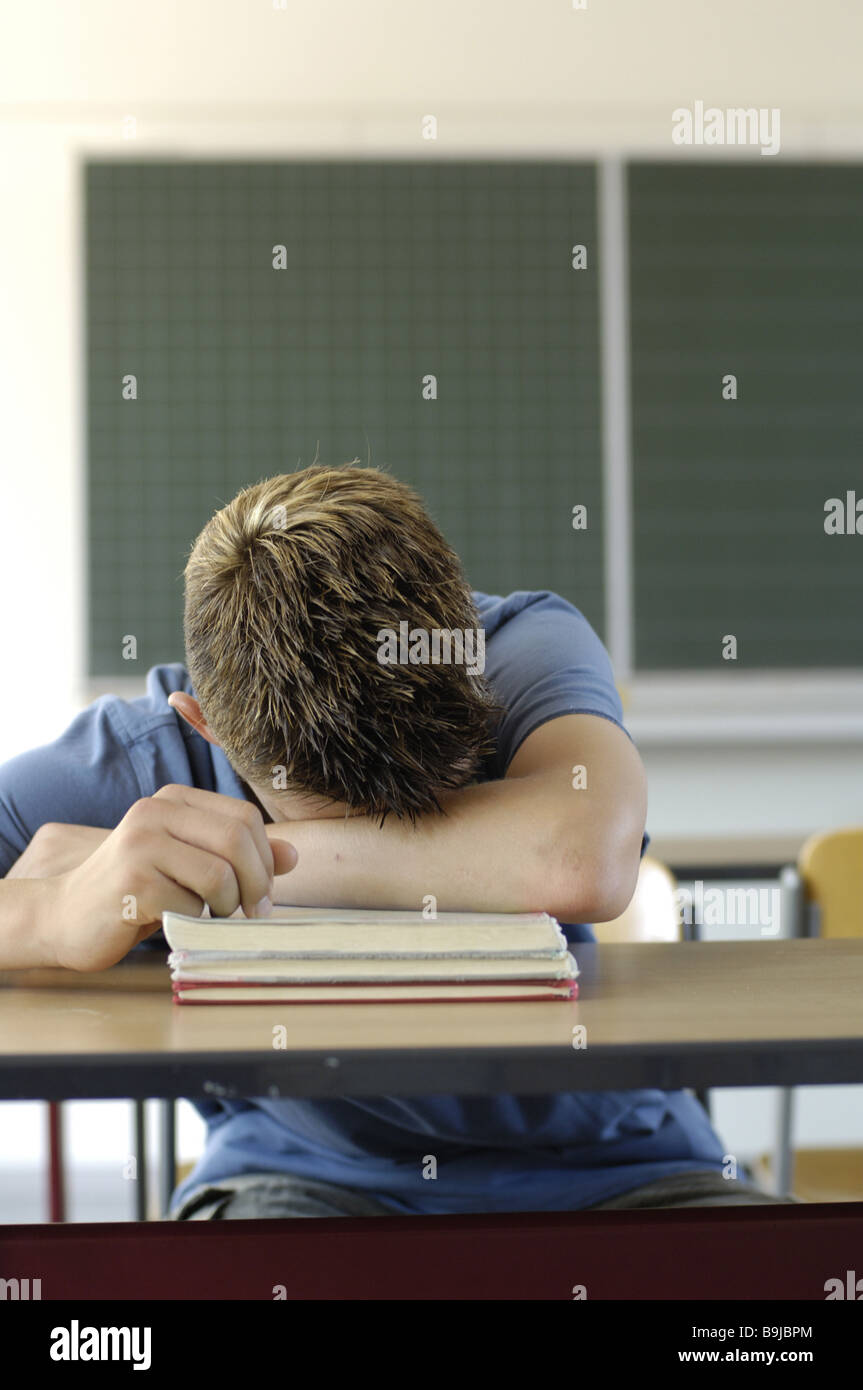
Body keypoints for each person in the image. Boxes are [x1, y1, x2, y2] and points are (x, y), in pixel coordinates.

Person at [0, 464, 789, 1218]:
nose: (373, 825)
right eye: (326, 805)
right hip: (304, 1179)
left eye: (424, 803)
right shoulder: (145, 758)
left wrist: (231, 872)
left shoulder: (524, 643)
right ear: (208, 725)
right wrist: (49, 916)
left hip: (621, 1165)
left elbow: (583, 858)